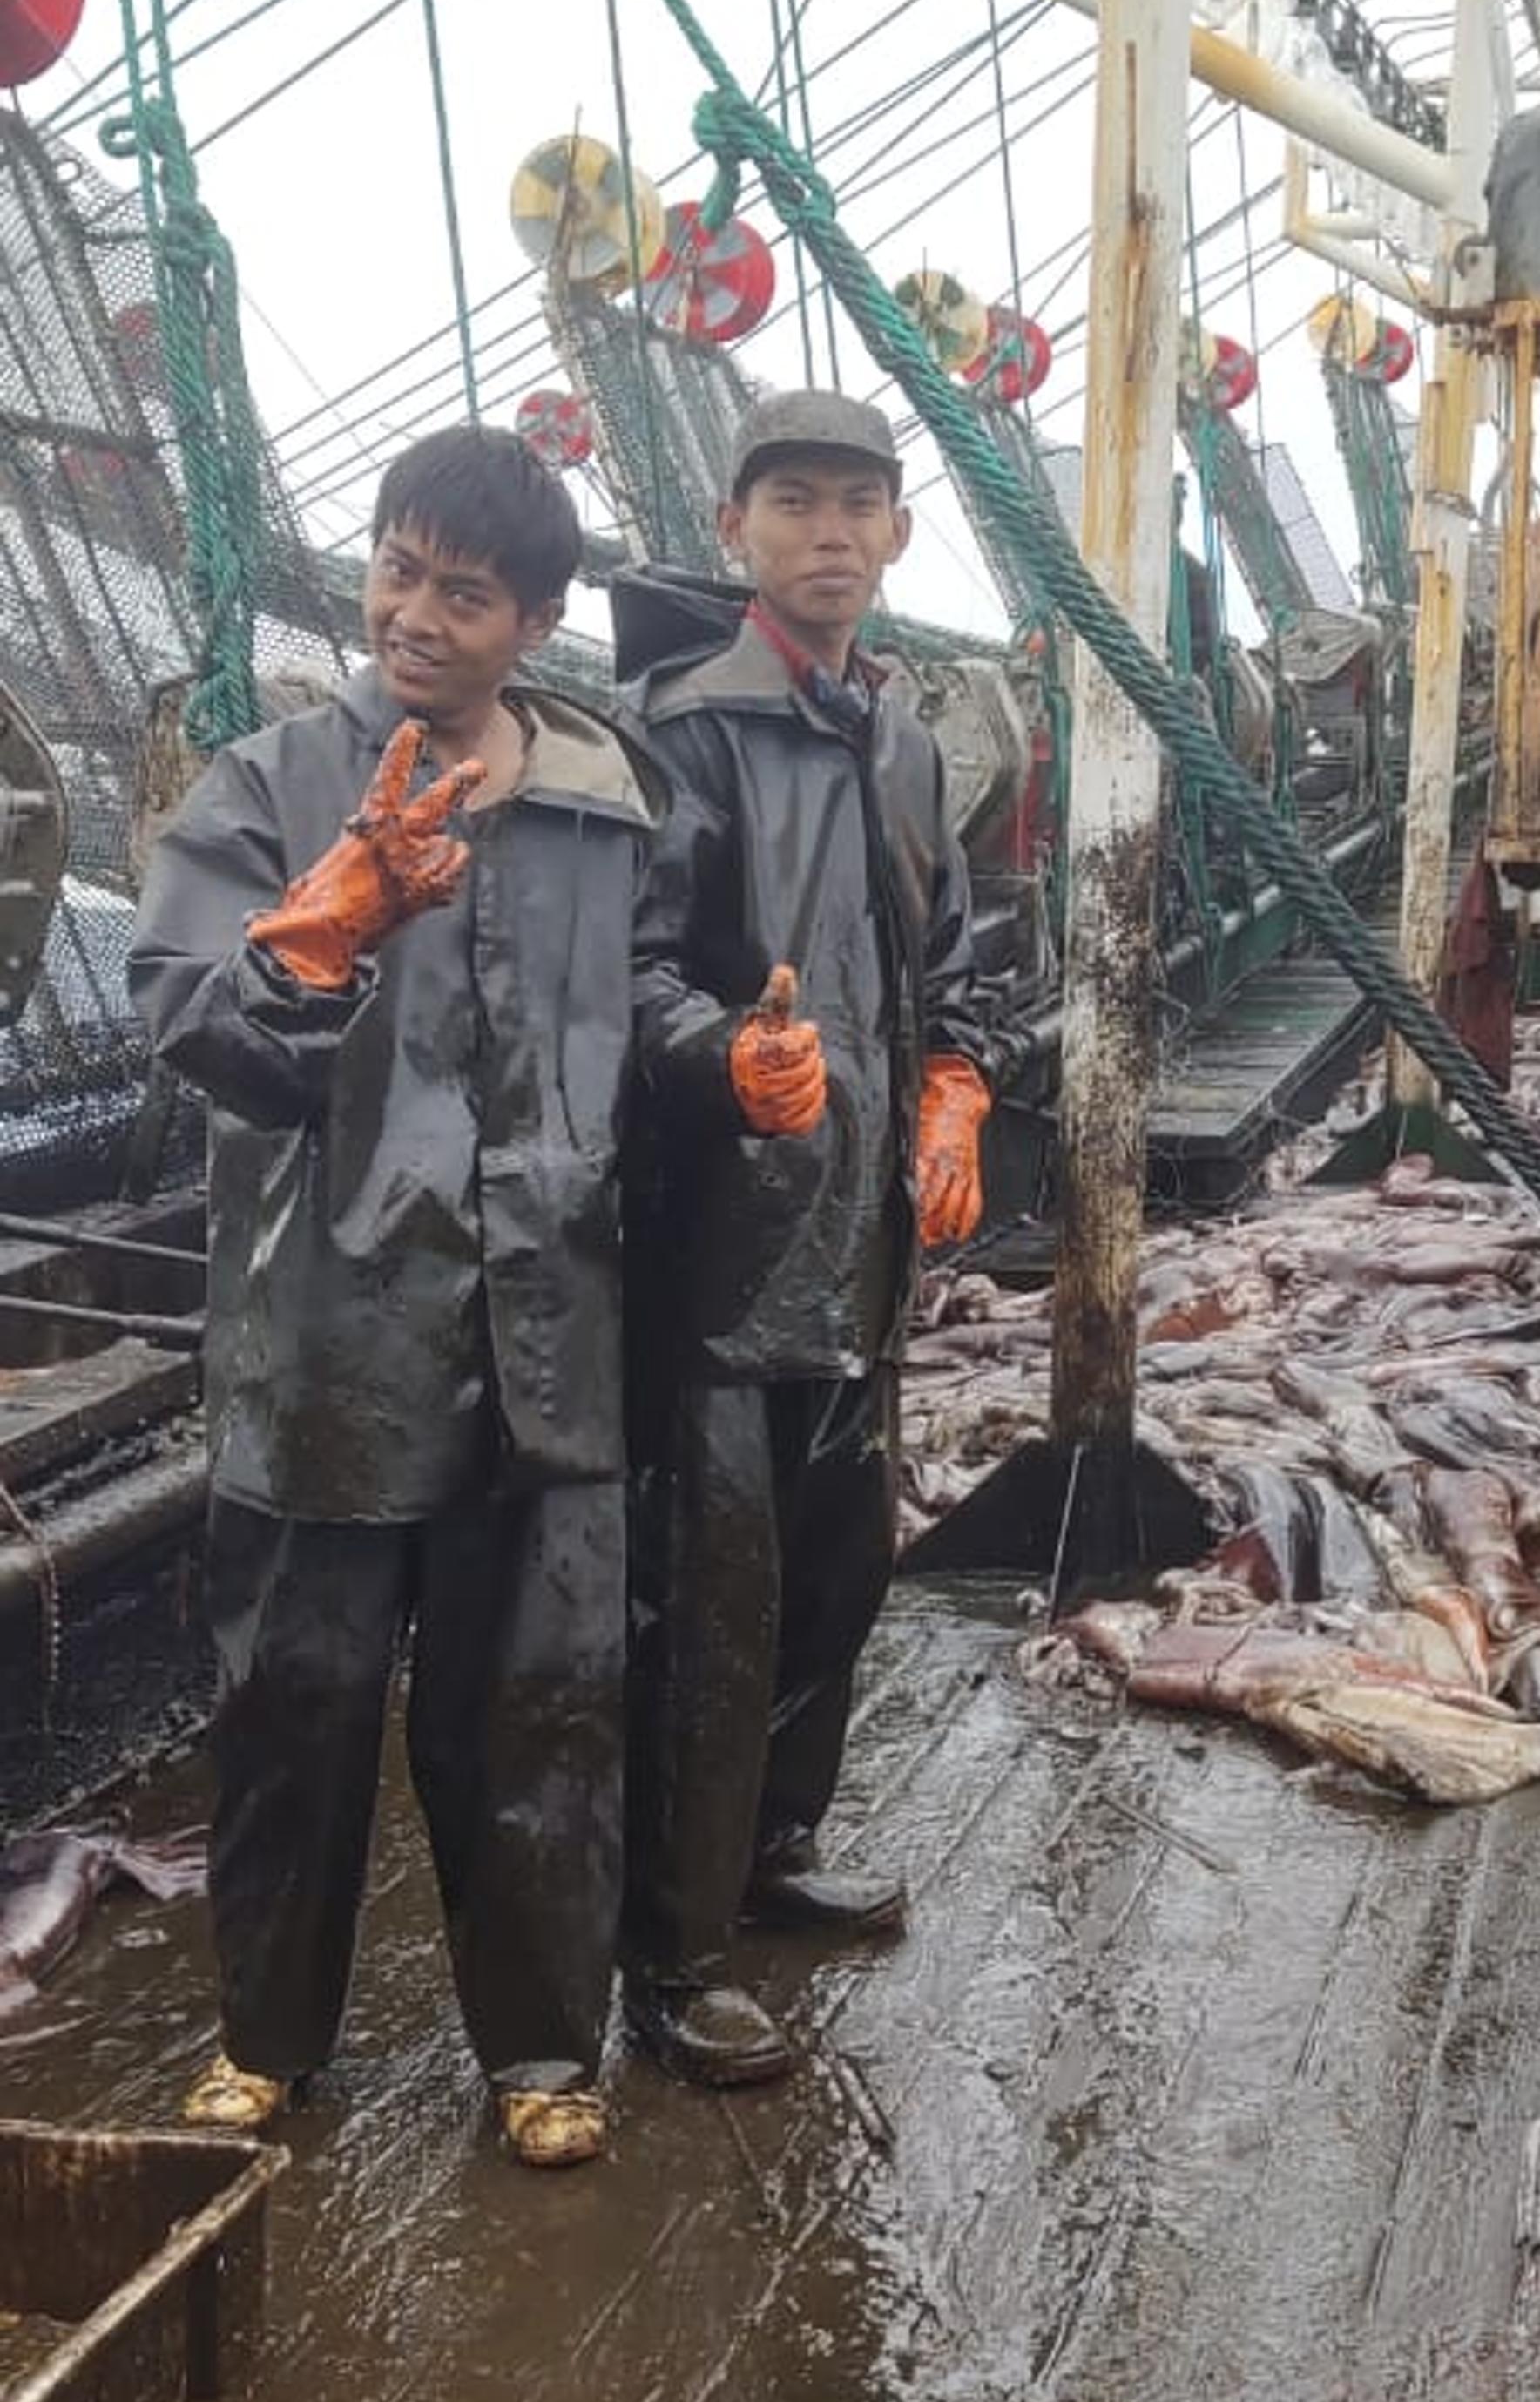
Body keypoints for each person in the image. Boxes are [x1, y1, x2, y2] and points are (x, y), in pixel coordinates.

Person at [131, 423, 686, 2172]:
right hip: (326, 1334)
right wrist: (316, 936)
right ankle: (264, 2041)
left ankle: (542, 2051)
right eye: (396, 569)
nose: (415, 616)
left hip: (547, 1334)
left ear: (536, 623)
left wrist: (726, 1063)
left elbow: (646, 1001)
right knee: (292, 1707)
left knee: (539, 1709)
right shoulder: (269, 784)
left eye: (466, 594)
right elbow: (189, 1017)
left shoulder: (604, 805)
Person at [620, 387, 992, 2087]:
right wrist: (718, 1055)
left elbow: (954, 955)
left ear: (898, 533)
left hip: (862, 1247)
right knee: (707, 1605)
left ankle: (771, 1851)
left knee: (834, 1577)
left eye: (857, 505)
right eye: (793, 504)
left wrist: (958, 1085)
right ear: (735, 530)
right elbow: (625, 971)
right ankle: (670, 1953)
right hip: (716, 1255)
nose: (827, 534)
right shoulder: (681, 733)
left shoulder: (901, 739)